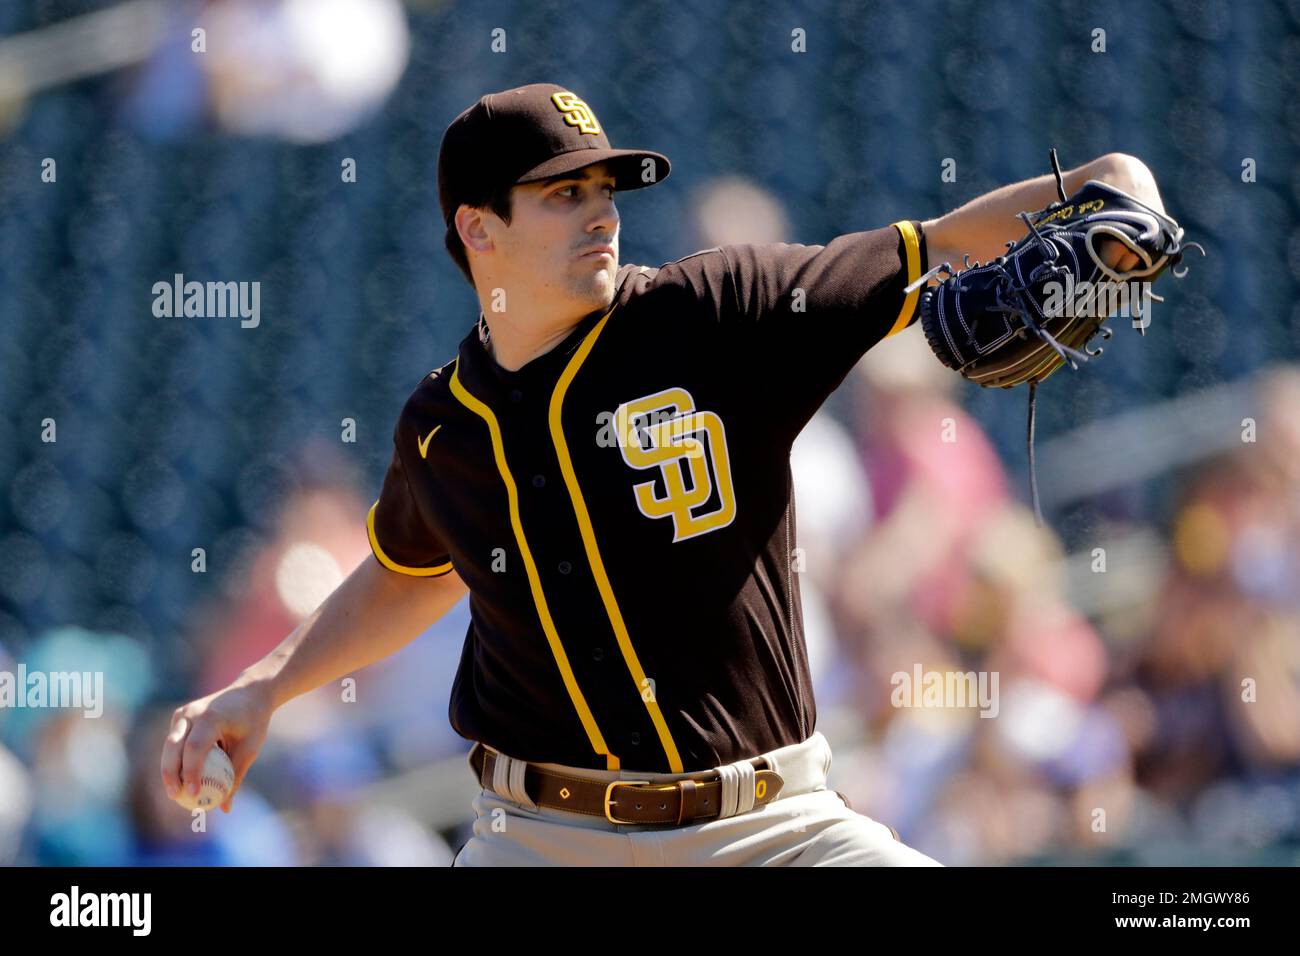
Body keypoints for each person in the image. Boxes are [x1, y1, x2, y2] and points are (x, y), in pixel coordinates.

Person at [161, 82, 1164, 866]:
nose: (601, 212)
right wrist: (267, 682)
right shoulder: (441, 425)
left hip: (772, 825)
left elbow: (937, 243)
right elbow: (413, 567)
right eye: (564, 193)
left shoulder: (719, 311)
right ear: (478, 229)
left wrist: (1109, 183)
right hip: (541, 837)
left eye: (606, 190)